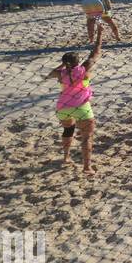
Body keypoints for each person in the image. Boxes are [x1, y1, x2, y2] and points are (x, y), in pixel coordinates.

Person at [48, 28, 103, 175]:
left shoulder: (60, 73)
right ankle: (87, 167)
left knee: (68, 129)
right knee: (87, 136)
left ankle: (66, 157)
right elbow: (96, 52)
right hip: (81, 106)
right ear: (78, 62)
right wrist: (100, 34)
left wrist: (62, 66)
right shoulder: (84, 69)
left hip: (63, 106)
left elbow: (48, 75)